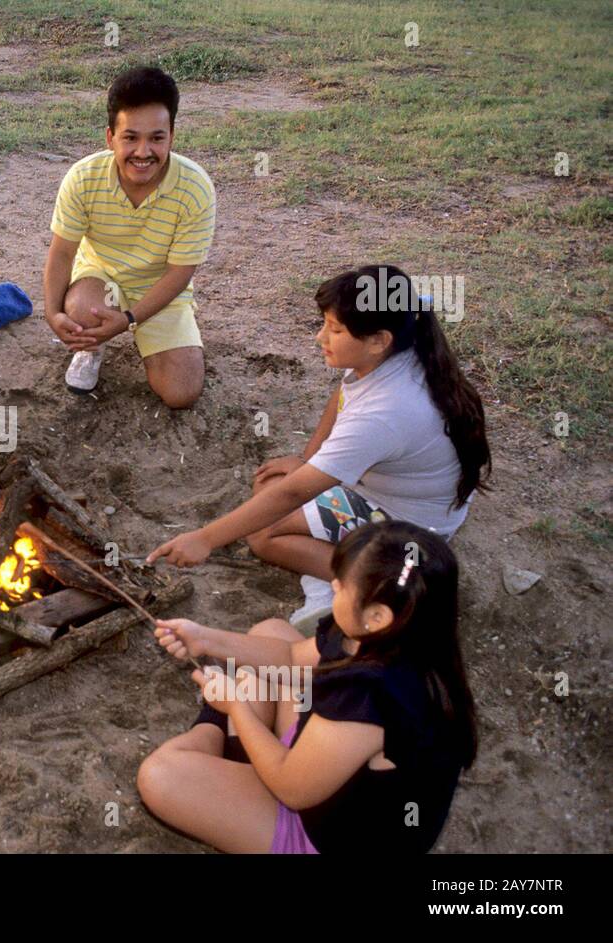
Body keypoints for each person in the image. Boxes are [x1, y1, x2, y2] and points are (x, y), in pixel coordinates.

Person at [149, 264, 491, 624]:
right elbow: (343, 396)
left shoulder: (385, 413)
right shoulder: (398, 345)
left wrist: (204, 538)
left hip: (408, 525)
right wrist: (307, 458)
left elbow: (292, 495)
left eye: (335, 329)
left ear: (378, 339)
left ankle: (372, 582)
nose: (320, 337)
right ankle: (346, 572)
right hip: (409, 496)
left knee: (263, 532)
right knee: (270, 483)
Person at [138, 521, 478, 853]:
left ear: (378, 616)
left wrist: (236, 707)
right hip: (326, 769)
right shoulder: (398, 637)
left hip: (326, 831)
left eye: (343, 585)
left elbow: (291, 788)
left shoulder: (371, 695)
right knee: (271, 632)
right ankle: (237, 750)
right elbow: (289, 657)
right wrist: (204, 639)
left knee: (161, 775)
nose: (333, 585)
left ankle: (217, 731)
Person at [44, 66, 216, 407]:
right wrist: (52, 313)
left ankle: (157, 337)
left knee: (181, 394)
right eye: (130, 137)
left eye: (156, 138)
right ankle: (90, 349)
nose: (143, 152)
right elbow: (62, 253)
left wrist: (129, 319)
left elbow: (181, 272)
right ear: (110, 138)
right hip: (101, 280)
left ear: (172, 136)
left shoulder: (196, 188)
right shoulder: (82, 178)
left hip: (160, 286)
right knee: (80, 307)